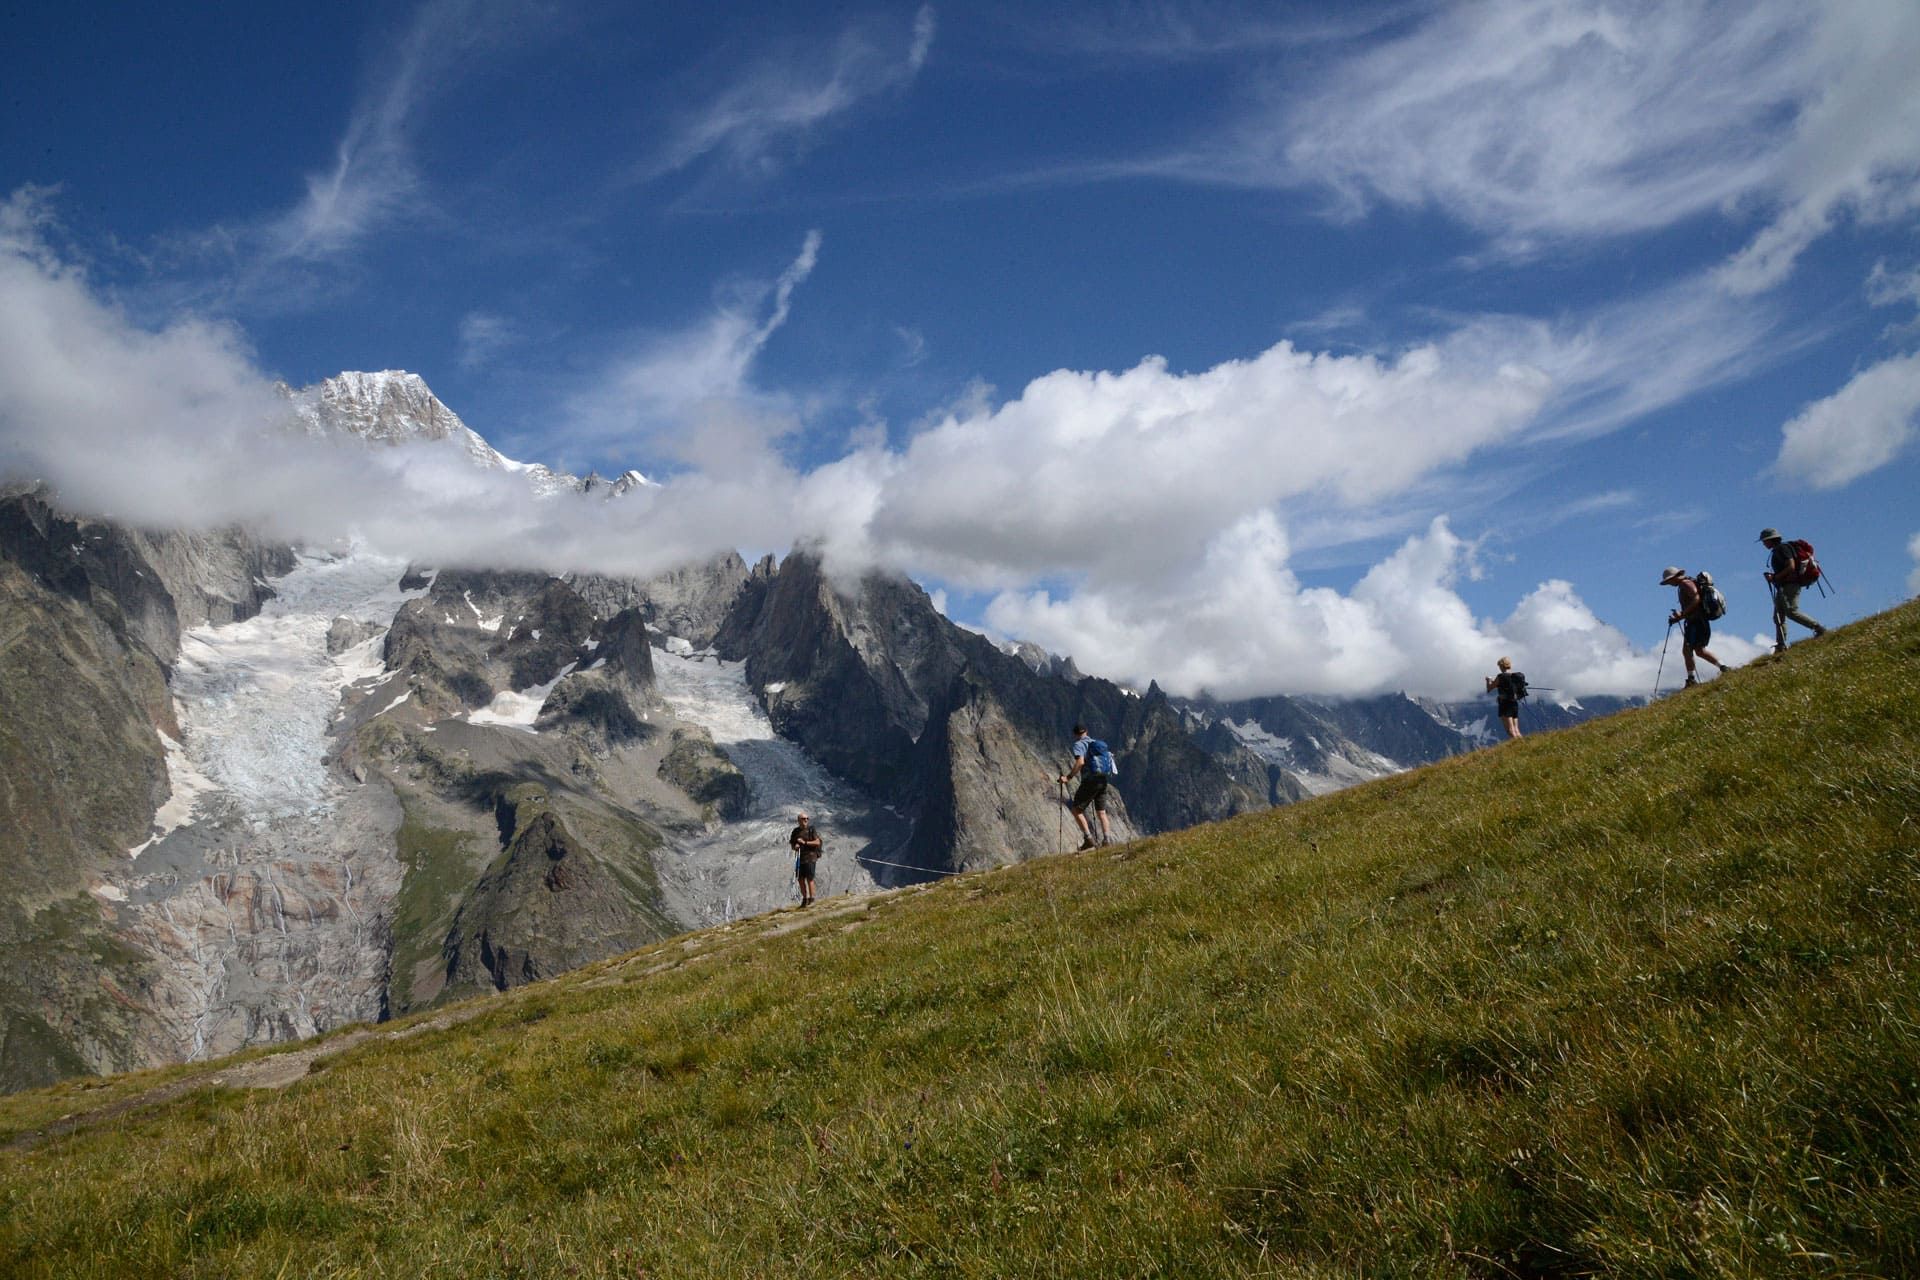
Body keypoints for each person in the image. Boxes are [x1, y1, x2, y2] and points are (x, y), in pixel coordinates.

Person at [1758, 527, 1827, 654]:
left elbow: (1791, 566)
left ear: (1770, 540)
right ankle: (1780, 645)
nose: (1763, 544)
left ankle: (1818, 628)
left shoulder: (1782, 549)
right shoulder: (1779, 550)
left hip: (1790, 585)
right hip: (1784, 585)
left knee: (1791, 611)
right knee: (1778, 616)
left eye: (1764, 541)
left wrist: (1775, 577)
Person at [1660, 566, 1730, 686]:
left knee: (1689, 650)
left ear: (1674, 578)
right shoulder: (1687, 583)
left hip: (1696, 622)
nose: (1669, 584)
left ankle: (1692, 679)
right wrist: (1679, 617)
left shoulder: (1685, 584)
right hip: (1698, 621)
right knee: (1698, 650)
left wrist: (1681, 614)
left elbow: (1696, 599)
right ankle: (1723, 667)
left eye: (1669, 581)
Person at [1058, 724, 1116, 850]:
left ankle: (1088, 839)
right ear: (1086, 731)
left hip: (1090, 781)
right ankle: (1107, 840)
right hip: (1103, 780)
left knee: (1076, 809)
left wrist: (1068, 777)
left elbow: (1080, 762)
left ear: (1075, 734)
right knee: (1101, 812)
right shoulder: (1095, 743)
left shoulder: (1078, 745)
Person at [1484, 657, 1526, 739]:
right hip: (1514, 703)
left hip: (1505, 704)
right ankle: (1524, 744)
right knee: (1516, 730)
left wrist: (1488, 680)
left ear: (1501, 666)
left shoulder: (1501, 676)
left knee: (1510, 730)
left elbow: (1489, 688)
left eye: (1499, 666)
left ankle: (1520, 745)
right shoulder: (1514, 676)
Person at [789, 811, 822, 907]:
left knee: (809, 878)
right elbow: (792, 844)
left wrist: (805, 842)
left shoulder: (811, 829)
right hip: (800, 858)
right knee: (800, 879)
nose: (806, 820)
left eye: (807, 818)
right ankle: (805, 899)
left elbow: (817, 842)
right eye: (803, 819)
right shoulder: (795, 831)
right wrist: (795, 846)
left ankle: (812, 899)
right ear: (799, 820)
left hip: (810, 857)